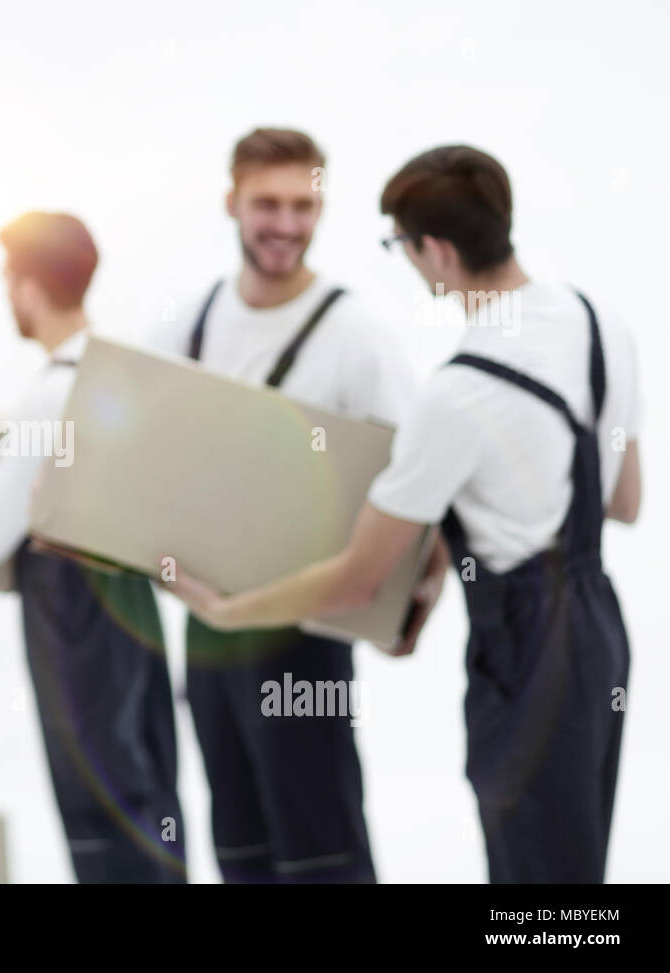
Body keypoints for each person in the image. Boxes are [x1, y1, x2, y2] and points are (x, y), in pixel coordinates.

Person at [167, 145, 641, 884]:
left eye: (404, 247)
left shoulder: (455, 395)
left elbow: (359, 580)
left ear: (438, 251)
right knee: (573, 876)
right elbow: (625, 499)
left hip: (524, 648)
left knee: (534, 891)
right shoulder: (595, 319)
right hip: (599, 630)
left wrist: (231, 611)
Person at [146, 127, 417, 883]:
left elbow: (417, 482)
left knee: (323, 856)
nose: (287, 223)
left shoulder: (356, 333)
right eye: (268, 202)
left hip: (305, 642)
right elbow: (134, 450)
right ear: (232, 200)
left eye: (305, 204)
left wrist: (411, 601)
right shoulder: (190, 323)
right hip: (207, 639)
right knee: (241, 854)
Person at [0, 212, 188, 883]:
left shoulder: (52, 391)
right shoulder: (126, 373)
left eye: (6, 278)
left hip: (76, 623)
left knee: (96, 810)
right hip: (134, 613)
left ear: (27, 286)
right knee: (149, 793)